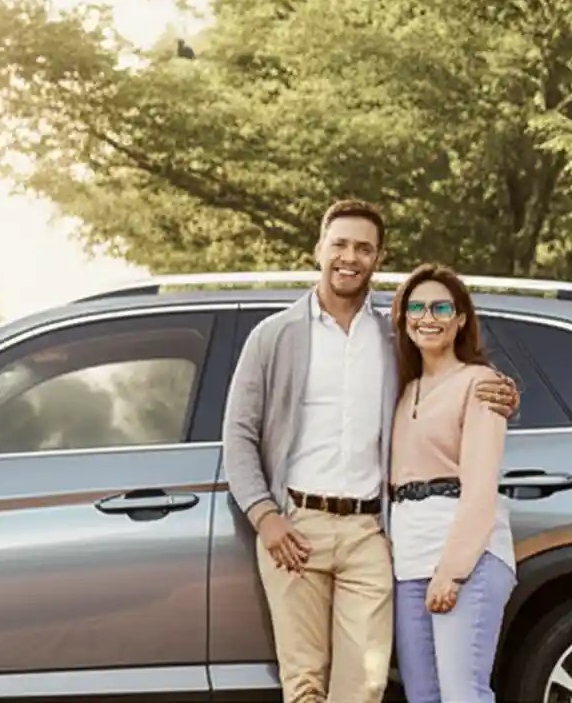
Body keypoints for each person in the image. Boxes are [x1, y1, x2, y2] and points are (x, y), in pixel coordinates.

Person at [221, 199, 519, 703]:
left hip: (370, 535)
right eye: (339, 244)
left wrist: (506, 393)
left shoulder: (394, 337)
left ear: (378, 259)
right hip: (295, 527)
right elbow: (239, 433)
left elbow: (448, 381)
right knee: (305, 686)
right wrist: (265, 515)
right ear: (318, 249)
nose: (350, 257)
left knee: (365, 687)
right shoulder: (272, 337)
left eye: (364, 248)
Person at [388, 263, 516, 703]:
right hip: (410, 562)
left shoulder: (480, 383)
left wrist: (453, 570)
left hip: (467, 558)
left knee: (464, 694)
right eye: (417, 307)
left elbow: (480, 485)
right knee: (423, 695)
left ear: (461, 318)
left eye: (442, 307)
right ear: (403, 319)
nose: (429, 317)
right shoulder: (403, 390)